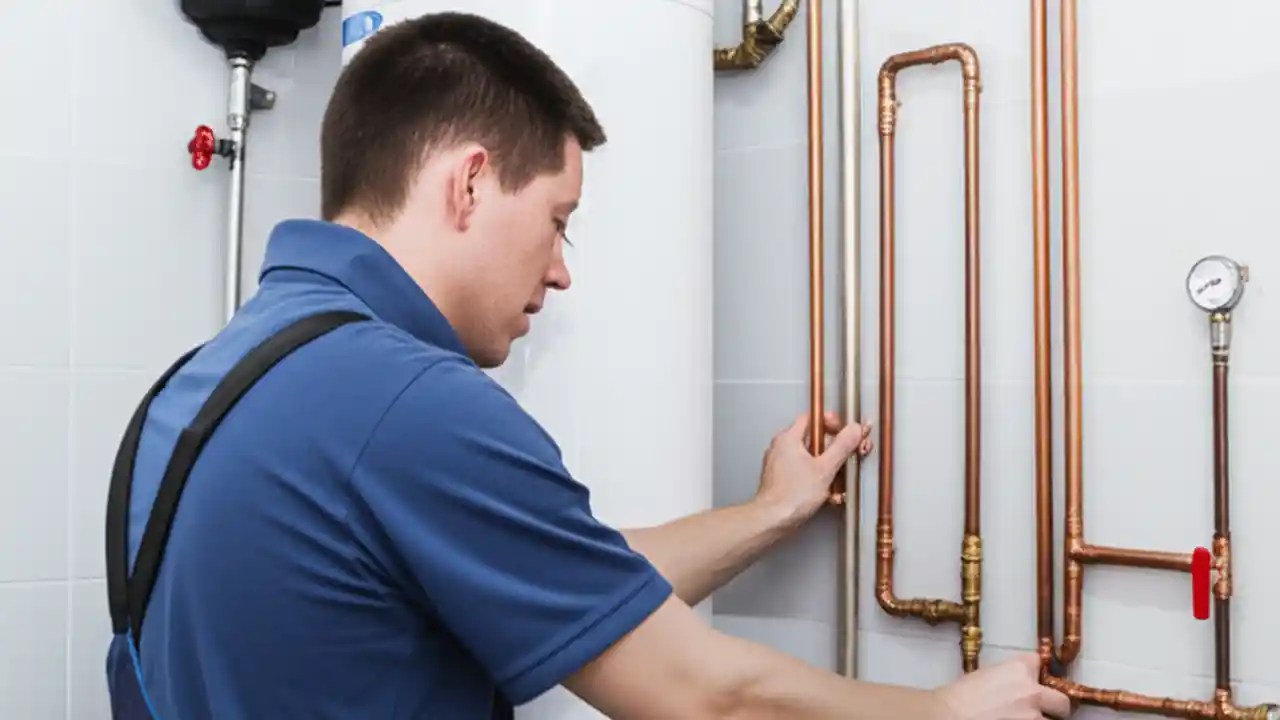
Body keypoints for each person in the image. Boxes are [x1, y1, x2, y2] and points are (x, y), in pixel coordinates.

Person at [103, 10, 1072, 720]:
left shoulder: (198, 387)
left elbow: (566, 576)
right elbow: (702, 695)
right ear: (472, 183)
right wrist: (938, 713)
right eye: (558, 221)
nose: (561, 270)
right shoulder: (407, 404)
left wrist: (768, 512)